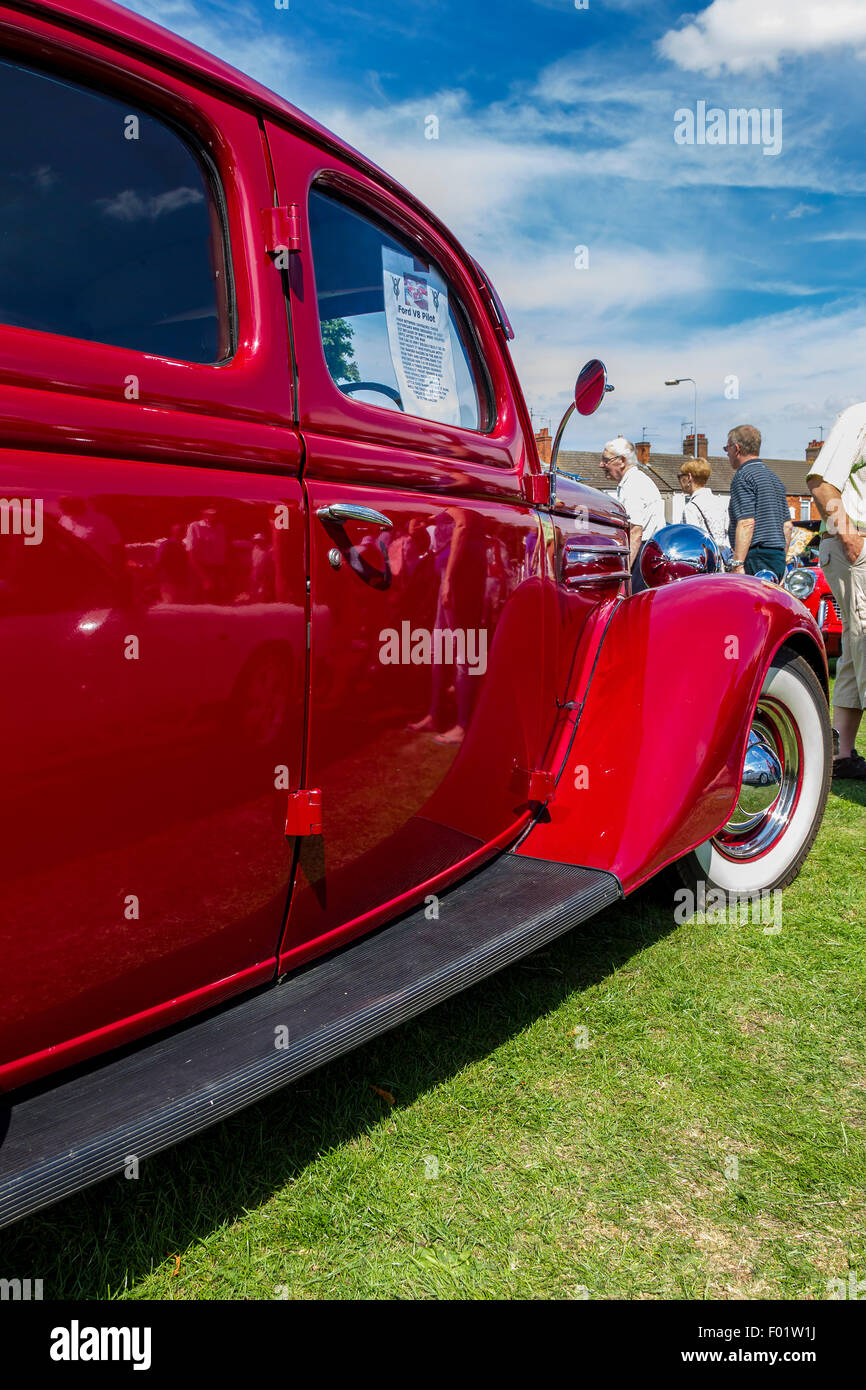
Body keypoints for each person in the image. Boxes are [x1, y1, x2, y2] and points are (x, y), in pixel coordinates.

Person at [807, 403, 866, 780]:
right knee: (863, 637)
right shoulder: (859, 416)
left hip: (855, 544)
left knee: (854, 644)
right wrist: (848, 535)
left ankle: (843, 754)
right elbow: (820, 482)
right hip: (856, 542)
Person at [725, 425, 792, 579]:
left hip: (755, 557)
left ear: (736, 448)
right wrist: (782, 561)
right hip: (777, 557)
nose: (727, 453)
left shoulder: (743, 477)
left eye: (727, 448)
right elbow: (787, 527)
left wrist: (738, 564)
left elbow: (747, 522)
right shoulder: (775, 479)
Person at [600, 437, 664, 592]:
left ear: (622, 461)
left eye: (605, 460)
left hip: (641, 557)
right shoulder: (636, 480)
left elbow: (635, 532)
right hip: (649, 554)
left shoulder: (632, 485)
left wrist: (623, 575)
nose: (601, 464)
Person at [678, 457, 730, 554]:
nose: (680, 480)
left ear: (689, 477)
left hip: (704, 559)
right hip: (721, 557)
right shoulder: (720, 503)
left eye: (680, 476)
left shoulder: (691, 507)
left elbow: (693, 540)